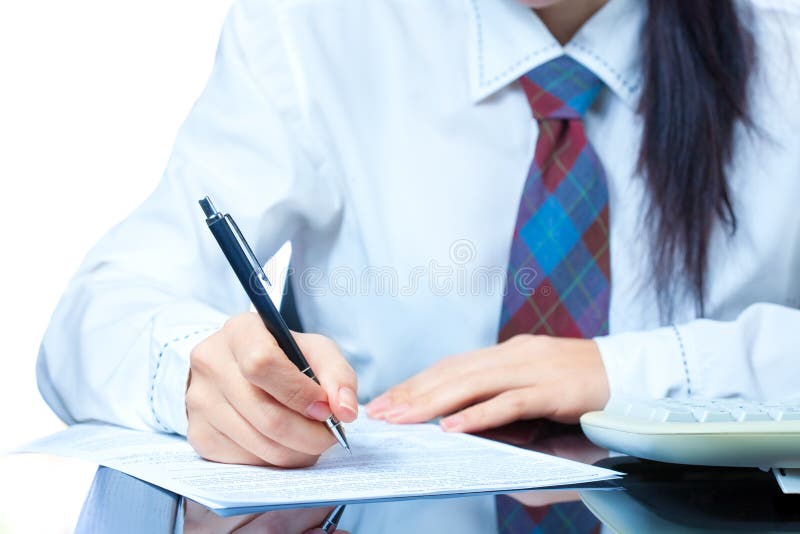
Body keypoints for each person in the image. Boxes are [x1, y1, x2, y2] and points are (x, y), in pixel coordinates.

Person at [39, 0, 799, 531]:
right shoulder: (312, 33)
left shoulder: (785, 52)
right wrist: (201, 375)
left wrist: (639, 374)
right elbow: (101, 312)